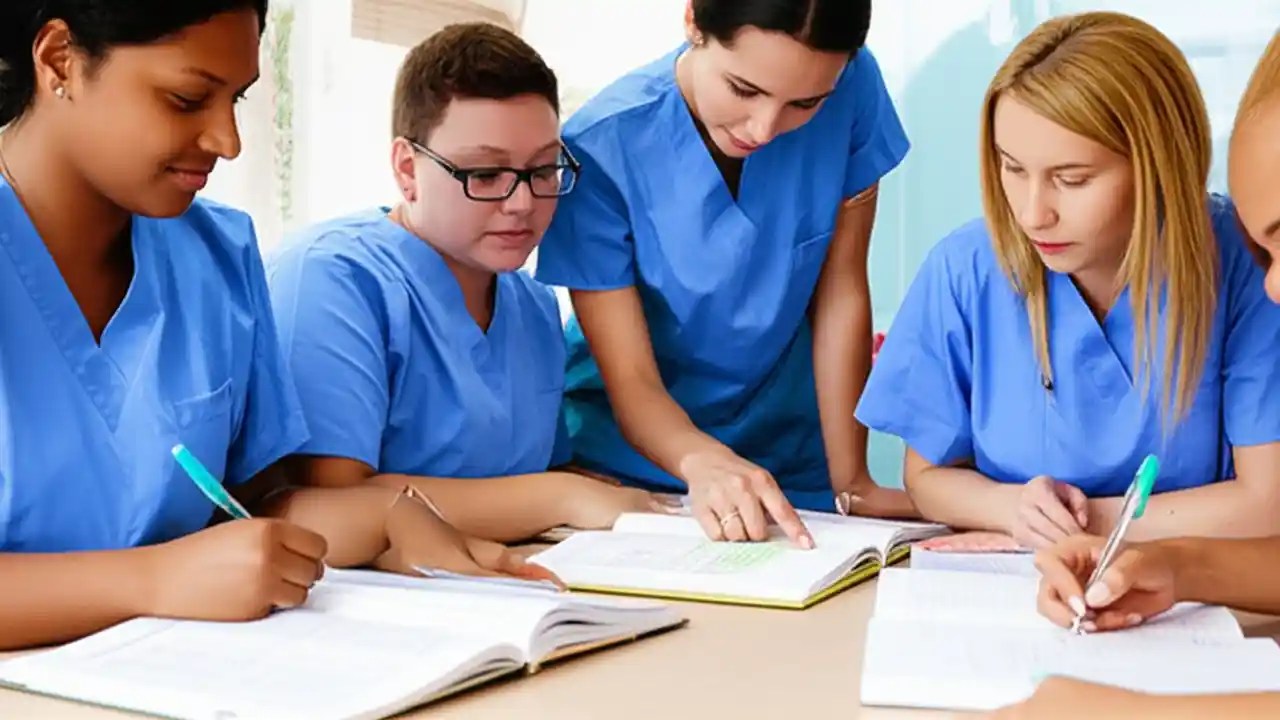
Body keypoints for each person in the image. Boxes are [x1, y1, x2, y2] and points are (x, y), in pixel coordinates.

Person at [0, 0, 544, 652]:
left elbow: (253, 505)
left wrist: (384, 517)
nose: (228, 142)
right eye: (187, 98)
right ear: (60, 60)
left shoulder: (219, 258)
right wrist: (148, 579)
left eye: (238, 100)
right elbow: (183, 564)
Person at [856, 11, 1280, 551]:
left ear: (1159, 166)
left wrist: (1072, 530)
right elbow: (928, 477)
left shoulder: (1249, 265)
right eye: (1013, 168)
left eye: (1071, 179)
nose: (1033, 214)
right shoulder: (965, 271)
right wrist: (1012, 511)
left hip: (1196, 599)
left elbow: (1267, 503)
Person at [534, 0, 917, 547]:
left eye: (805, 103)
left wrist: (851, 480)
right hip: (630, 469)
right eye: (743, 89)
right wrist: (702, 461)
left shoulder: (853, 86)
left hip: (792, 465)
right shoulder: (601, 147)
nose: (765, 128)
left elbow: (841, 292)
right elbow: (633, 380)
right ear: (692, 19)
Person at [267, 24, 669, 542]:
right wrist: (559, 496)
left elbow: (540, 477)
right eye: (484, 175)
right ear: (407, 169)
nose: (522, 202)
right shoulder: (332, 280)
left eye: (544, 170)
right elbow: (336, 499)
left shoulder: (533, 302)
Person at [988, 28, 1280, 720]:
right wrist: (1177, 568)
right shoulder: (969, 269)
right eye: (1264, 248)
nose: (1273, 290)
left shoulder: (1230, 292)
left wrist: (1113, 710)